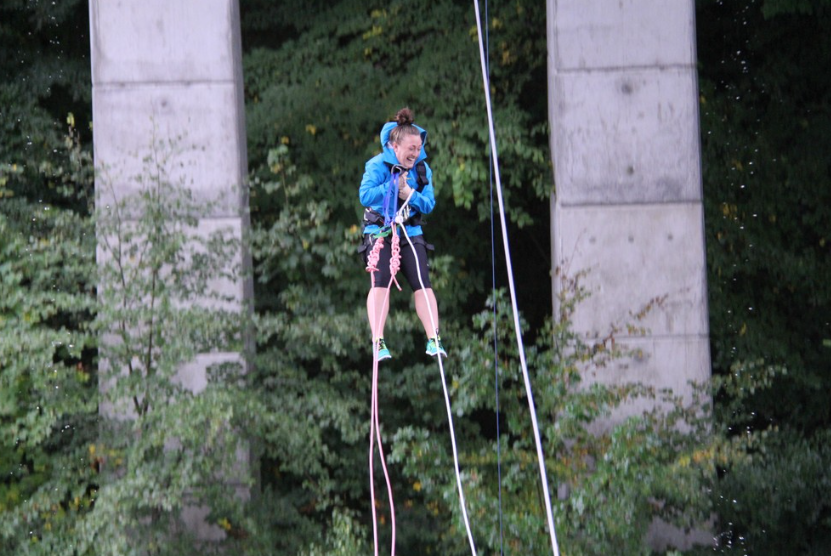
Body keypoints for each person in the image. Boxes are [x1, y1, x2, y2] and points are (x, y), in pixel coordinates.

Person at [359, 107, 446, 361]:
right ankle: (378, 340)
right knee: (381, 278)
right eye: (411, 149)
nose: (415, 154)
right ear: (395, 146)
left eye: (418, 149)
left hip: (410, 231)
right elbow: (365, 195)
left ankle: (433, 338)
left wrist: (410, 194)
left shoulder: (422, 170)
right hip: (381, 230)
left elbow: (429, 204)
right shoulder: (377, 165)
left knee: (422, 278)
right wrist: (392, 187)